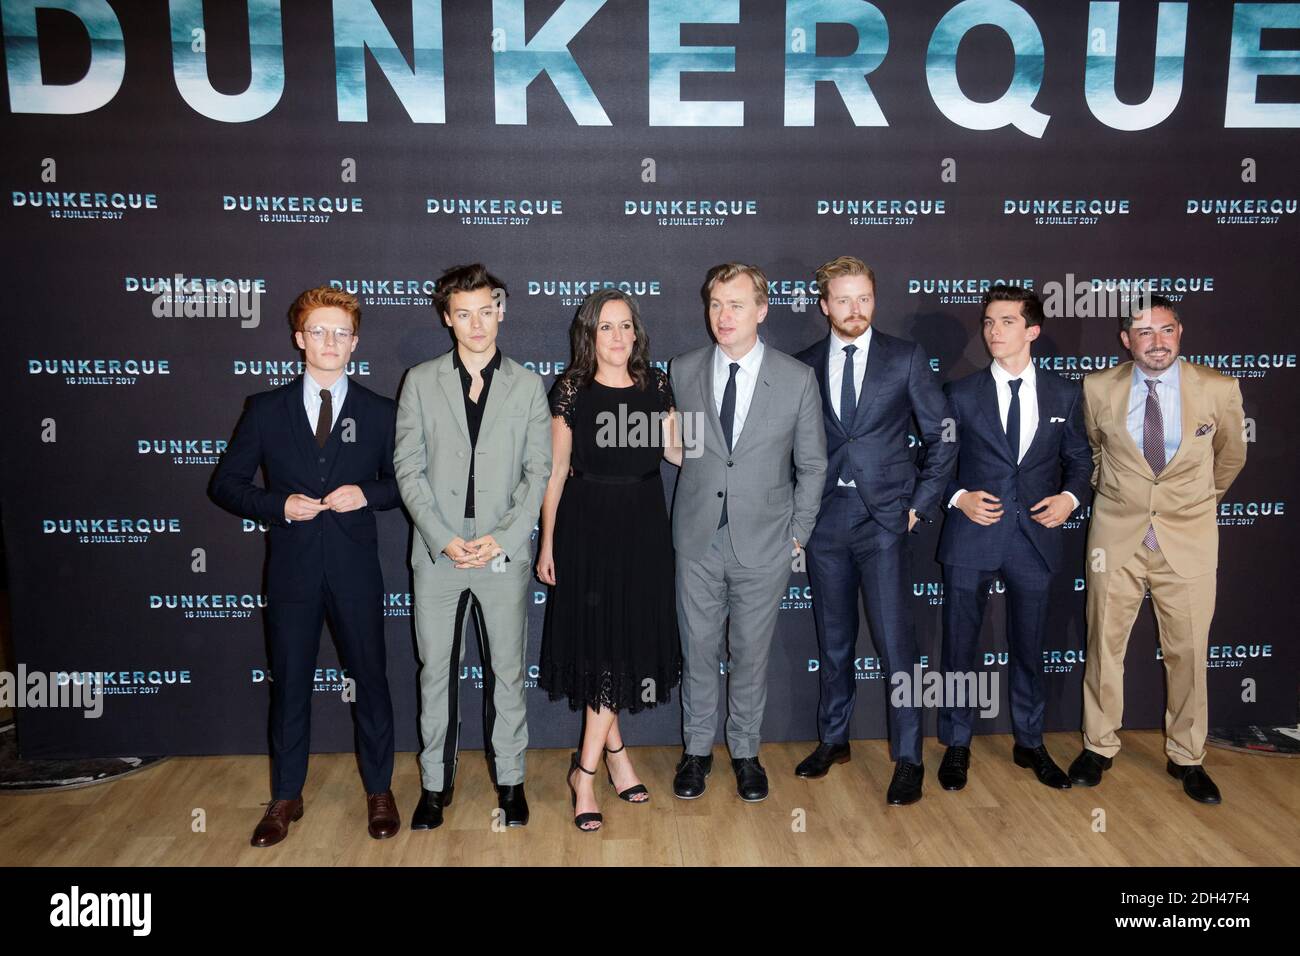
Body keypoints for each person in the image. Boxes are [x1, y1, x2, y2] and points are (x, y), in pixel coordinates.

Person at [210, 286, 400, 847]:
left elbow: (404, 484)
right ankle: (286, 796)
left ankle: (380, 789)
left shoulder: (380, 411)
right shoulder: (266, 409)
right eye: (318, 331)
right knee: (290, 684)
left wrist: (367, 494)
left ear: (355, 342)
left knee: (371, 682)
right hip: (292, 573)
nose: (330, 341)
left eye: (341, 332)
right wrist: (279, 505)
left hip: (355, 571)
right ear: (299, 338)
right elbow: (225, 484)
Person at [1069, 295, 1246, 804]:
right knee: (1103, 647)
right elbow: (1094, 453)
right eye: (1145, 333)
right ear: (1127, 340)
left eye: (1166, 330)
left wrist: (1190, 504)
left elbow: (1230, 457)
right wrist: (1122, 497)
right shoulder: (1098, 387)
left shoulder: (1218, 388)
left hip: (1188, 540)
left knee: (1188, 653)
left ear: (1180, 333)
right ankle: (1098, 745)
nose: (1157, 342)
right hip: (1115, 539)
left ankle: (1187, 756)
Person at [793, 255, 956, 806]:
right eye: (843, 299)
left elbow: (943, 435)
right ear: (825, 305)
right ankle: (833, 739)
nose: (855, 308)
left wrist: (919, 505)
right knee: (834, 642)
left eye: (863, 298)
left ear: (874, 300)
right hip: (825, 522)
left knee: (896, 647)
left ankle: (909, 757)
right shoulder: (803, 365)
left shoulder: (905, 358)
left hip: (885, 522)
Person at [393, 263, 551, 829]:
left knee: (507, 673)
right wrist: (443, 538)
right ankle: (434, 786)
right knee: (435, 672)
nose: (477, 324)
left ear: (500, 311)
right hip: (437, 554)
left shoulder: (528, 385)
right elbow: (408, 469)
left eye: (486, 311)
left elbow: (538, 472)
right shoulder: (420, 381)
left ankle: (511, 782)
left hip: (501, 554)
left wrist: (502, 538)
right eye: (464, 314)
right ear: (447, 317)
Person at [669, 262, 827, 803]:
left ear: (761, 310)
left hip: (766, 542)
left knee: (751, 655)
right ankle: (696, 752)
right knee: (697, 651)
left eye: (735, 305)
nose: (723, 316)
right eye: (715, 304)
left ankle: (744, 752)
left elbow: (813, 465)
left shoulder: (796, 378)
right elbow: (684, 446)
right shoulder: (684, 369)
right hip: (696, 538)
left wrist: (797, 534)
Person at [935, 285, 1091, 792]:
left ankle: (1030, 742)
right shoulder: (959, 393)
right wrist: (959, 497)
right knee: (959, 646)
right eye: (988, 322)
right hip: (972, 535)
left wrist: (1070, 498)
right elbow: (936, 462)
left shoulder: (1066, 393)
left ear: (1032, 330)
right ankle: (957, 743)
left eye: (1006, 321)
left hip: (1035, 538)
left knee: (1031, 647)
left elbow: (1080, 460)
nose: (993, 331)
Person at [537, 289, 683, 832]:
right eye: (606, 327)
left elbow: (678, 451)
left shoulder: (656, 385)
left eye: (625, 325)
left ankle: (611, 758)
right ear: (589, 335)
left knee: (623, 642)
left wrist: (737, 450)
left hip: (644, 528)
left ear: (636, 332)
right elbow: (556, 471)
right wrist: (547, 542)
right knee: (601, 644)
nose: (618, 336)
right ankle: (588, 774)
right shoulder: (571, 389)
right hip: (587, 527)